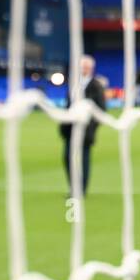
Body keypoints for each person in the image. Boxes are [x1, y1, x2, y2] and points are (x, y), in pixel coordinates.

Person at [60, 54, 107, 197]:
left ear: (91, 68)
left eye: (87, 67)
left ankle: (82, 189)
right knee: (68, 158)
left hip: (86, 131)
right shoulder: (74, 84)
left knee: (84, 160)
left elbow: (101, 109)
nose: (84, 69)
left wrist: (91, 126)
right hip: (70, 129)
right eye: (82, 67)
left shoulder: (97, 86)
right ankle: (73, 187)